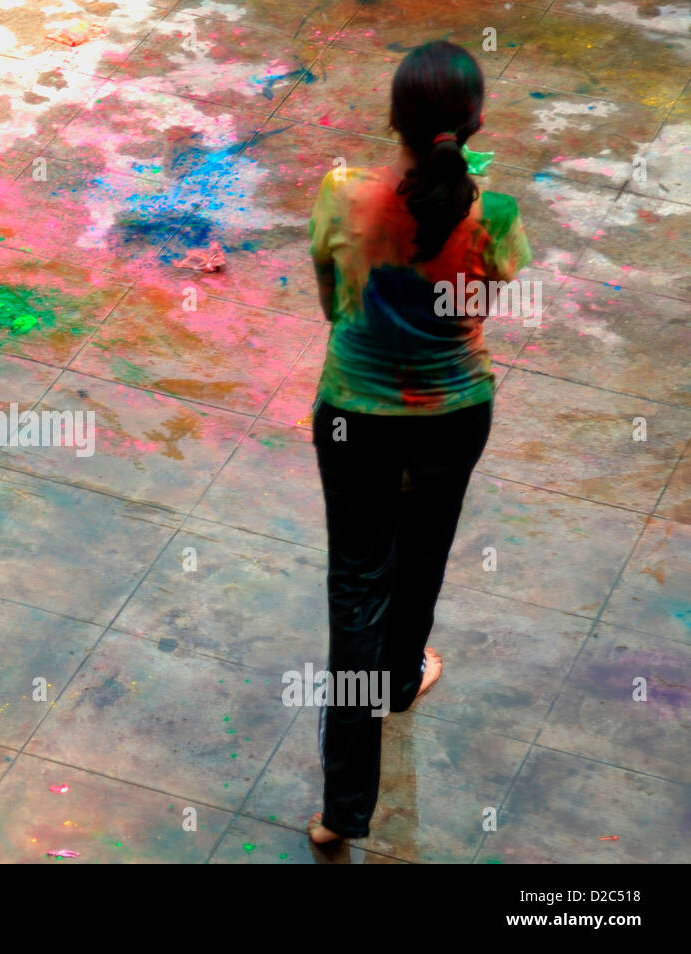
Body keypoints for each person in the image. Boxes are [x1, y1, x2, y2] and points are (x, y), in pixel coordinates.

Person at [305, 41, 531, 843]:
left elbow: (333, 302)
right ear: (475, 125)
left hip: (350, 417)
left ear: (392, 118)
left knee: (357, 588)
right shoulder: (493, 213)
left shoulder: (342, 195)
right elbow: (490, 293)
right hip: (454, 413)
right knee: (425, 550)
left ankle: (342, 812)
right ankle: (401, 679)